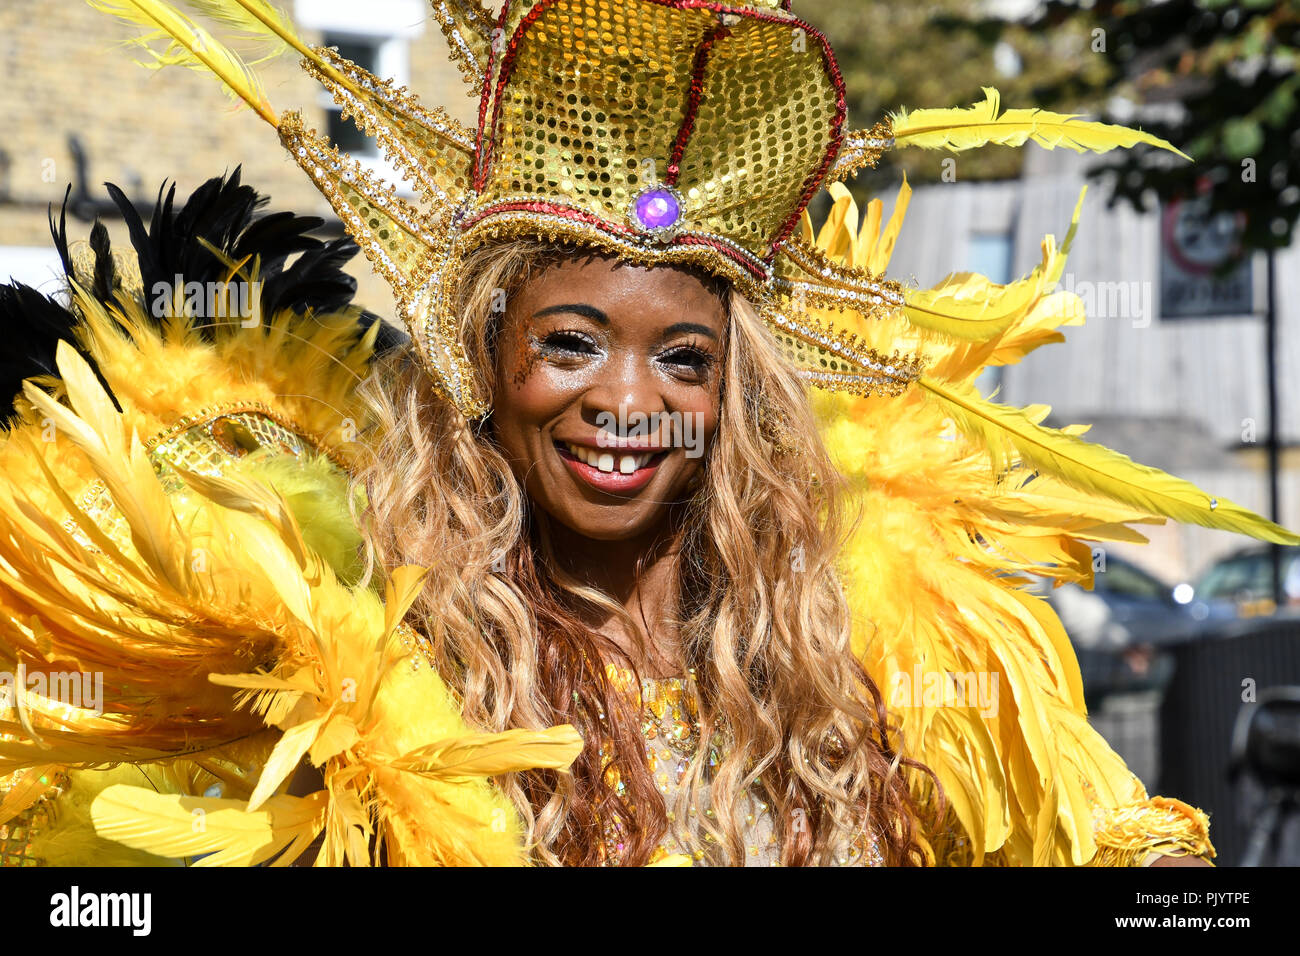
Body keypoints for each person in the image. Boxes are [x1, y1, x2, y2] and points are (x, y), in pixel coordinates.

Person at [0, 0, 1293, 867]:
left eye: (684, 358)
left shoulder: (863, 652)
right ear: (490, 363)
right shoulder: (368, 655)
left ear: (736, 395)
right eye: (572, 344)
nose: (627, 399)